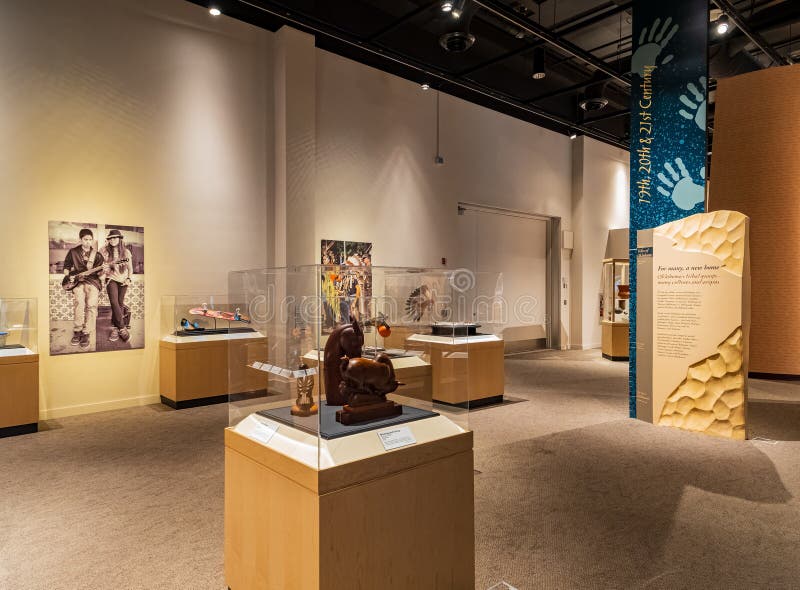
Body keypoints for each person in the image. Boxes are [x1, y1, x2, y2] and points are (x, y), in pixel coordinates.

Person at [63, 228, 105, 350]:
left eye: (90, 239)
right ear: (80, 239)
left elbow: (101, 274)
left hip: (93, 281)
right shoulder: (73, 252)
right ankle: (77, 330)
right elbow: (66, 267)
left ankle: (86, 332)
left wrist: (103, 272)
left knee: (91, 305)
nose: (88, 242)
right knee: (79, 303)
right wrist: (69, 276)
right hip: (78, 282)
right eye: (85, 239)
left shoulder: (97, 255)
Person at [100, 229, 134, 342]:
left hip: (123, 280)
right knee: (114, 302)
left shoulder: (126, 252)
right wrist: (104, 269)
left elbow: (130, 269)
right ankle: (122, 328)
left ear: (119, 239)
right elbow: (101, 268)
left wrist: (129, 279)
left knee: (119, 303)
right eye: (110, 238)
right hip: (111, 278)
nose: (112, 240)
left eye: (115, 238)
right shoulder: (104, 251)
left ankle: (115, 328)